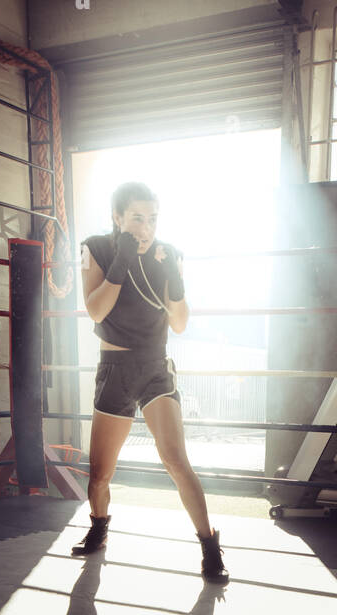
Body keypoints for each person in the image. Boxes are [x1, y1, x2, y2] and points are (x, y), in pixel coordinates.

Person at [73, 180, 228, 583]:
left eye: (153, 219)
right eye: (137, 218)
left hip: (156, 368)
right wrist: (121, 262)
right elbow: (95, 310)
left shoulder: (168, 253)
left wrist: (175, 285)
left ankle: (210, 545)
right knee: (100, 474)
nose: (146, 227)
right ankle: (99, 526)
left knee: (176, 459)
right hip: (115, 370)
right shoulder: (97, 247)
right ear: (117, 217)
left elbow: (178, 322)